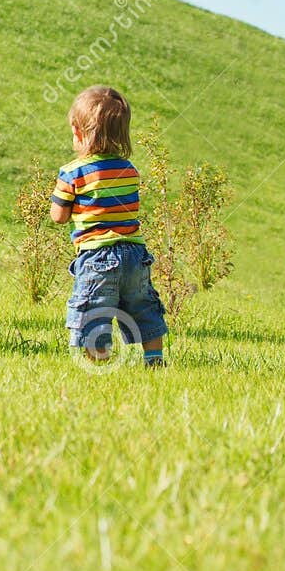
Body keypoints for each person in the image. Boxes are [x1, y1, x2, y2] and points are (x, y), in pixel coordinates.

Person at [49, 85, 168, 366]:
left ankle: (99, 361)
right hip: (135, 254)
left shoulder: (73, 172)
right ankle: (154, 359)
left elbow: (58, 216)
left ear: (79, 133)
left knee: (94, 312)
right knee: (144, 306)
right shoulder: (129, 169)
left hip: (97, 256)